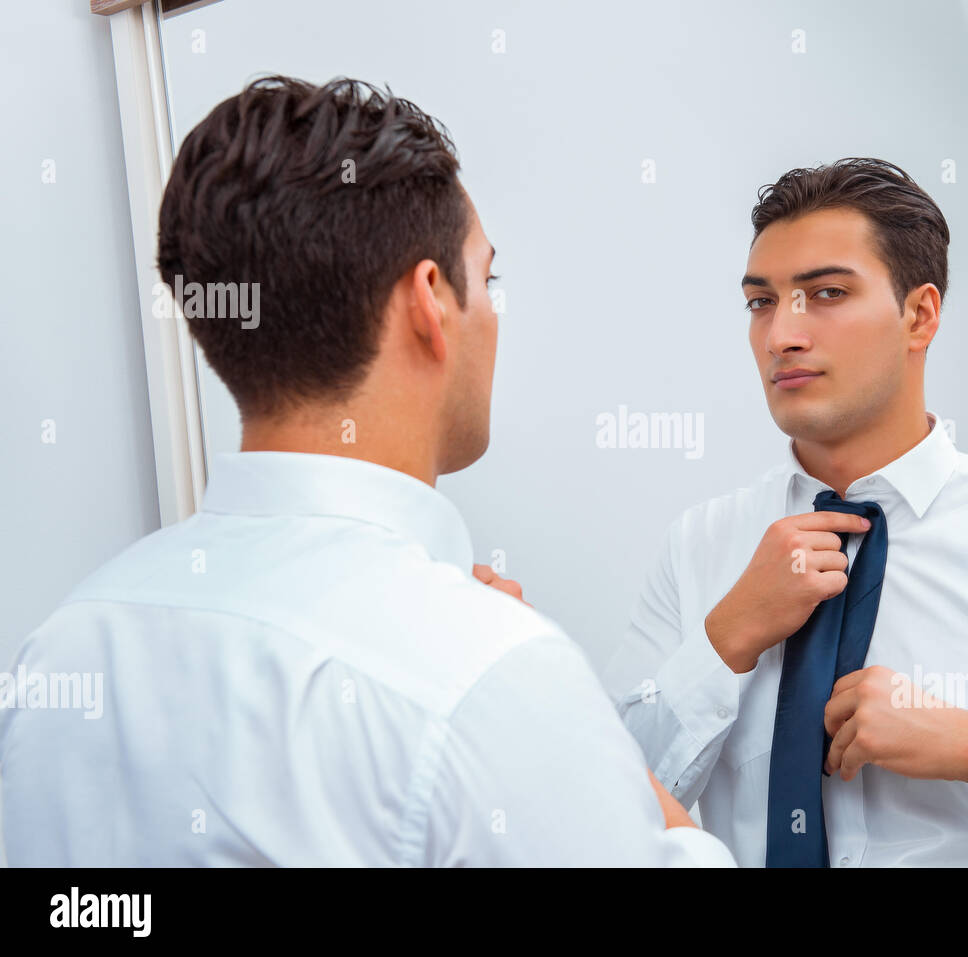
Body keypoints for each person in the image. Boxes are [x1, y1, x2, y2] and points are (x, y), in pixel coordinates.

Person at [0, 76, 733, 867]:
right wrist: (567, 729)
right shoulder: (485, 674)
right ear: (429, 300)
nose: (492, 311)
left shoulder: (60, 649)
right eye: (486, 278)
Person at [602, 158, 968, 868]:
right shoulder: (698, 548)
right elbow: (594, 811)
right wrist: (726, 638)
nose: (780, 335)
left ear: (919, 315)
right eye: (762, 301)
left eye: (824, 293)